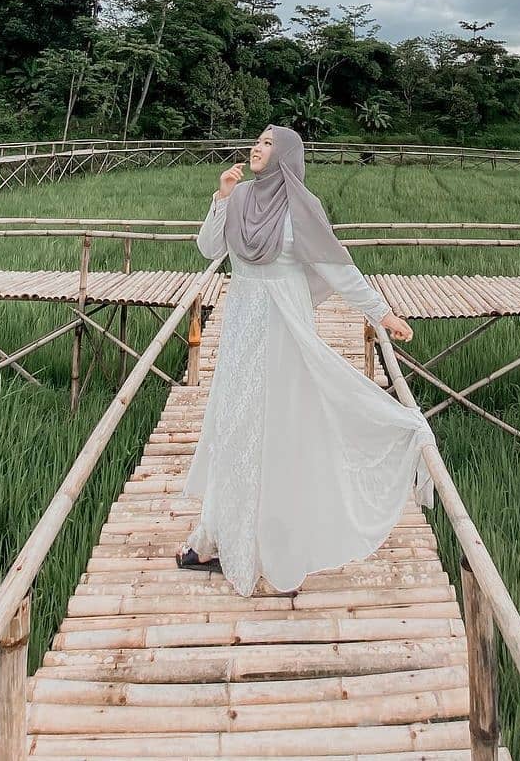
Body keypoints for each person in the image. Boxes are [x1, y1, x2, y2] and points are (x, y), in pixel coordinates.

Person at [176, 123, 437, 597]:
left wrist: (382, 312)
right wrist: (221, 196)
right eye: (257, 140)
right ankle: (214, 536)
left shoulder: (304, 207)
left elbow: (338, 269)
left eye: (268, 143)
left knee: (278, 433)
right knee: (234, 426)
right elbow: (210, 249)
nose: (257, 147)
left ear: (286, 155)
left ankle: (279, 549)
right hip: (242, 333)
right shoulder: (238, 199)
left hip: (285, 333)